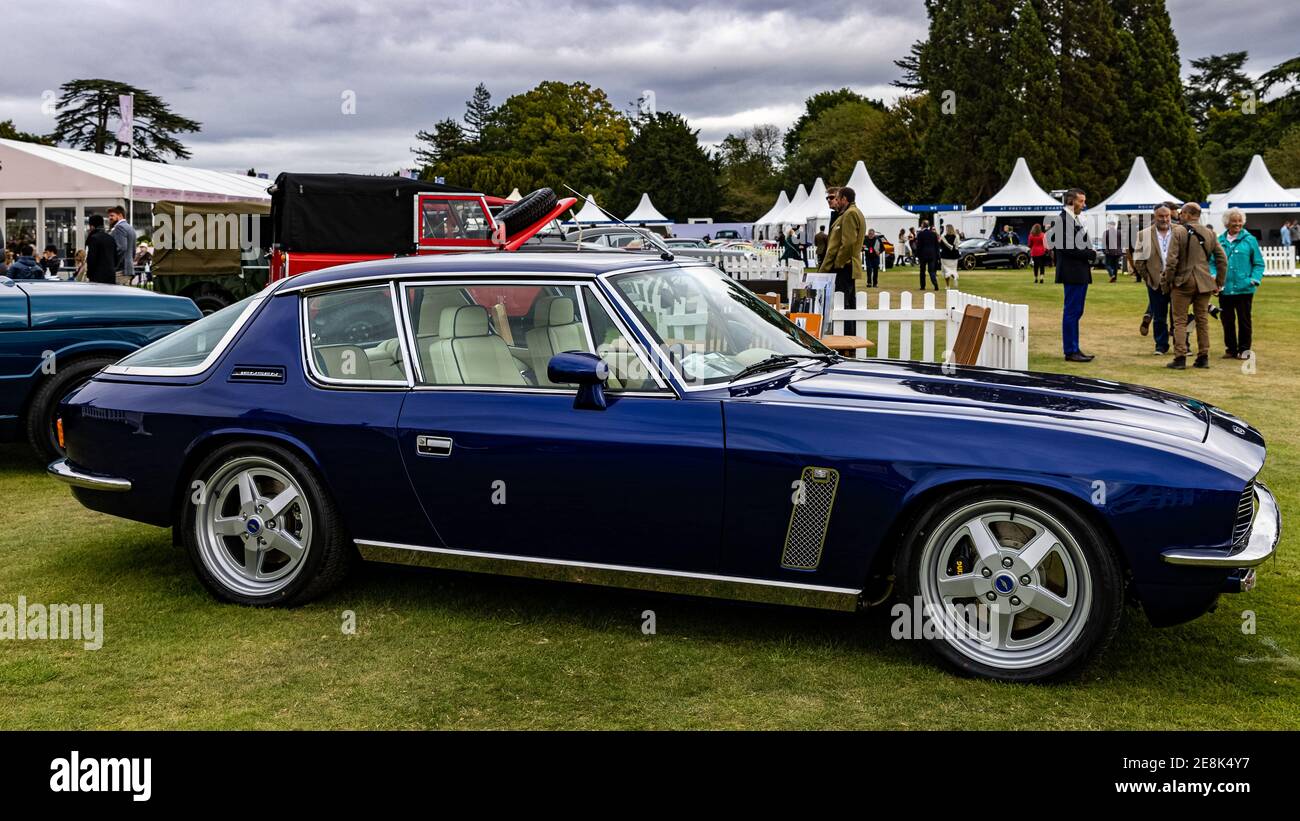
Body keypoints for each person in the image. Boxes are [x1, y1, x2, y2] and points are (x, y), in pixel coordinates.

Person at [1165, 202, 1228, 370]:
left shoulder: (1178, 231)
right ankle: (1203, 357)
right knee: (1202, 320)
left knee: (1179, 320)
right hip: (1204, 282)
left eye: (1181, 213)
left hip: (1183, 281)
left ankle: (1180, 358)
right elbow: (1222, 260)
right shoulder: (1210, 233)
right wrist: (1219, 283)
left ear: (1186, 214)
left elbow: (1171, 261)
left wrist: (1169, 281)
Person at [1047, 188, 1096, 362]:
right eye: (1081, 201)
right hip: (1072, 271)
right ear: (1070, 201)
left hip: (1078, 271)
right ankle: (1070, 350)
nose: (1083, 204)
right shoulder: (1062, 220)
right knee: (1072, 312)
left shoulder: (1071, 219)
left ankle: (1074, 347)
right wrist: (1090, 254)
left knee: (1076, 312)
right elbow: (1066, 248)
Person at [1127, 204, 1183, 356]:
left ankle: (1182, 345)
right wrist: (1149, 278)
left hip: (1177, 281)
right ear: (1155, 216)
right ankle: (1161, 345)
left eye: (1167, 216)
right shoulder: (1144, 235)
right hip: (1155, 282)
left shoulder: (1180, 231)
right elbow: (1139, 260)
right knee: (1159, 316)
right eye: (1161, 216)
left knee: (1178, 317)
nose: (1164, 219)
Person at [1217, 209, 1264, 361]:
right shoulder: (1219, 240)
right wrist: (1213, 276)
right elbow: (1212, 262)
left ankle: (1244, 350)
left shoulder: (1250, 240)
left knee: (1244, 321)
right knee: (1227, 320)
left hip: (1244, 289)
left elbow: (1258, 263)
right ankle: (1230, 349)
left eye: (1239, 221)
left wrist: (1253, 279)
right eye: (1234, 221)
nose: (1237, 224)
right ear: (1226, 223)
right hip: (1225, 289)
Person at [818, 186, 866, 334]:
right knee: (848, 304)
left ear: (844, 199)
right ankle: (851, 335)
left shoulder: (850, 214)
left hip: (844, 267)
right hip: (847, 265)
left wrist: (837, 264)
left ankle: (846, 338)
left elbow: (848, 243)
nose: (836, 201)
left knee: (842, 304)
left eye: (837, 198)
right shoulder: (849, 213)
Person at [107, 205, 137, 286]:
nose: (110, 218)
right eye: (109, 216)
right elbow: (133, 251)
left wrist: (113, 265)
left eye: (112, 215)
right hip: (128, 269)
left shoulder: (119, 227)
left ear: (120, 215)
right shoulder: (130, 228)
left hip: (121, 271)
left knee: (116, 296)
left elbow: (121, 248)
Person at [85, 214, 118, 284]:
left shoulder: (93, 238)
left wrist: (89, 274)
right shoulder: (111, 238)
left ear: (92, 226)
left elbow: (91, 259)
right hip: (111, 275)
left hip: (97, 276)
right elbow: (116, 258)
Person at [913, 221, 940, 290]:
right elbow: (936, 246)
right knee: (931, 271)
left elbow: (919, 246)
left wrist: (916, 255)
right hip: (932, 254)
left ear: (922, 226)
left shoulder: (920, 234)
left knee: (922, 271)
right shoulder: (933, 234)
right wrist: (937, 255)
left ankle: (923, 286)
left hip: (923, 255)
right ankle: (935, 284)